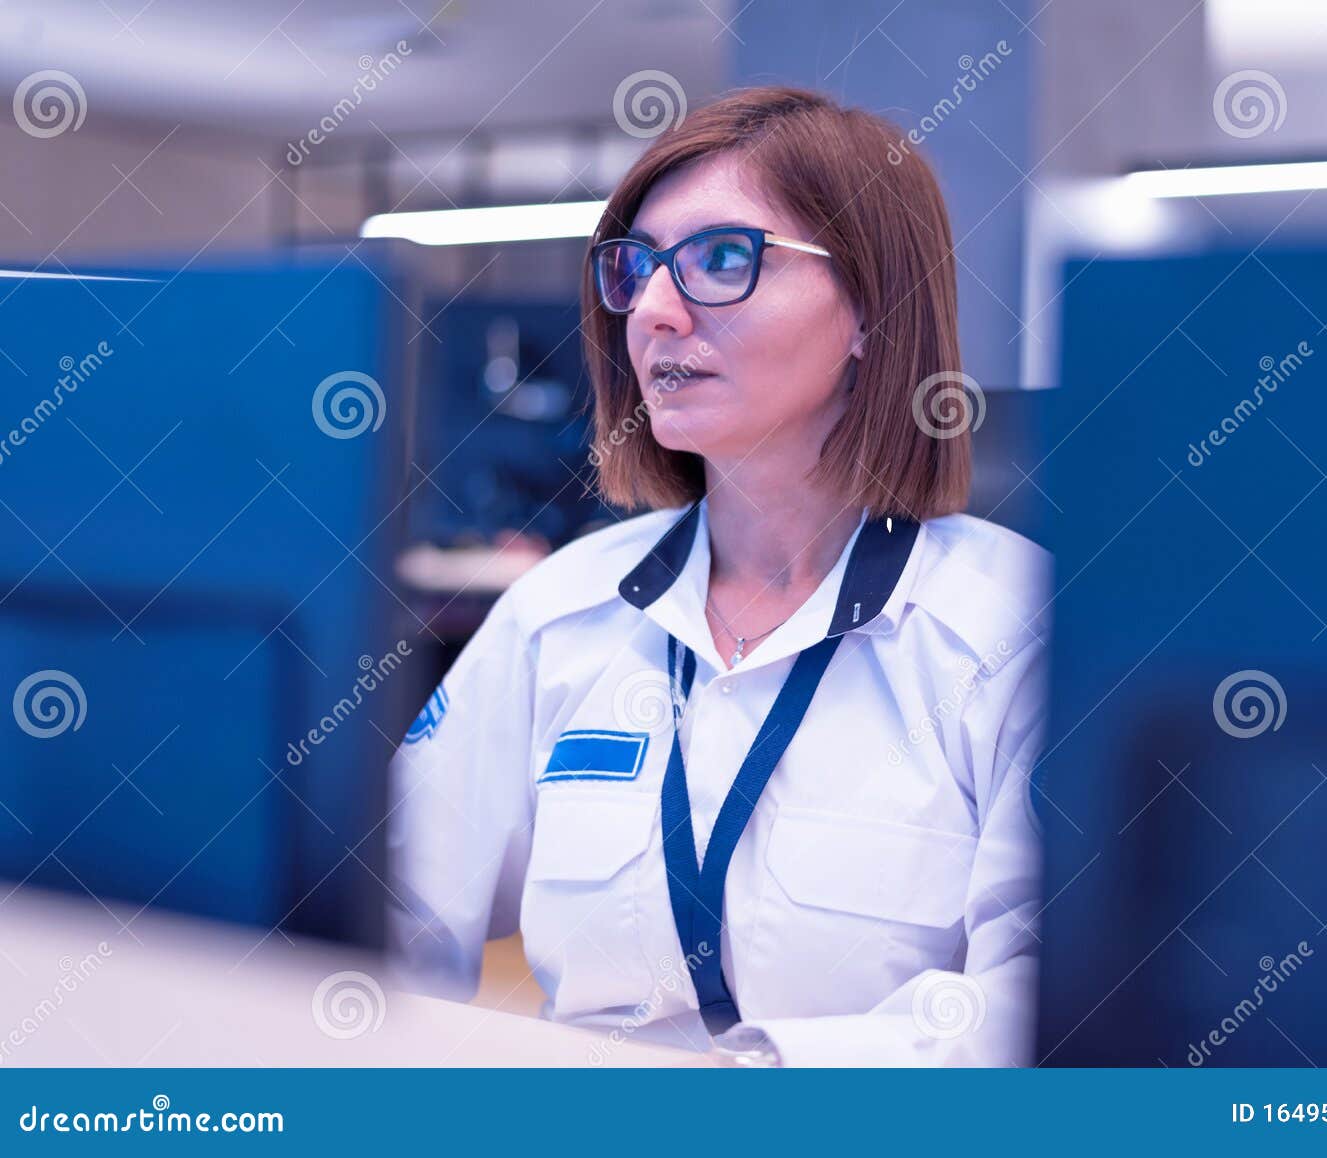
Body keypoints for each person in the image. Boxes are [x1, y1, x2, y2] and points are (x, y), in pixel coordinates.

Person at [388, 85, 1052, 1066]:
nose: (652, 311)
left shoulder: (1011, 631)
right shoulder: (558, 613)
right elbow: (389, 908)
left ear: (872, 307)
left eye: (720, 259)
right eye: (635, 267)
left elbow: (1037, 1009)